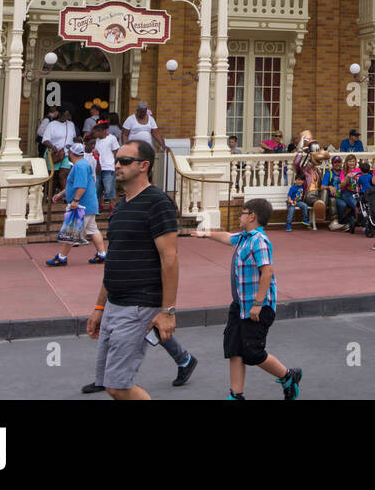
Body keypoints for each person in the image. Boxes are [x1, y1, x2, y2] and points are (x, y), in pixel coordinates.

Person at [85, 140, 179, 400]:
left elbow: (169, 259)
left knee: (118, 385)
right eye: (117, 160)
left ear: (143, 166)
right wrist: (99, 308)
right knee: (108, 381)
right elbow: (114, 260)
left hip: (139, 305)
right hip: (114, 304)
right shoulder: (122, 206)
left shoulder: (158, 203)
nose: (117, 165)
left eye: (125, 161)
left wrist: (167, 311)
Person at [197, 198, 303, 400]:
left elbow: (267, 271)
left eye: (242, 213)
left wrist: (258, 304)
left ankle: (288, 376)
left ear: (252, 216)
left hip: (257, 308)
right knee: (234, 349)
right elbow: (227, 238)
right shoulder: (245, 237)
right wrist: (204, 234)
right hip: (239, 305)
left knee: (252, 353)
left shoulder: (259, 241)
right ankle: (236, 395)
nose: (240, 216)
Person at [46, 142, 108, 266]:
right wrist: (62, 194)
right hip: (89, 204)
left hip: (82, 205)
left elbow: (81, 185)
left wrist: (75, 200)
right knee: (93, 229)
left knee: (71, 232)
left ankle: (61, 257)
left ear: (71, 153)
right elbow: (74, 184)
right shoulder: (83, 164)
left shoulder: (79, 166)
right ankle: (102, 254)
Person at [94, 121, 121, 208]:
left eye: (98, 131)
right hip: (97, 168)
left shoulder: (111, 138)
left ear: (104, 131)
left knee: (109, 188)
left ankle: (112, 206)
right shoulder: (95, 141)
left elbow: (116, 152)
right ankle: (99, 205)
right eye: (96, 131)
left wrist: (116, 165)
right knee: (98, 188)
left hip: (109, 167)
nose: (96, 133)